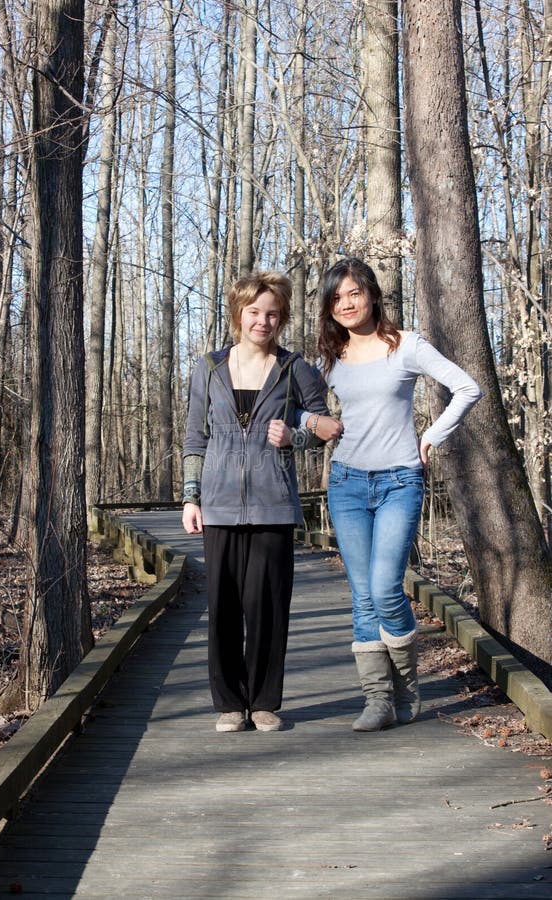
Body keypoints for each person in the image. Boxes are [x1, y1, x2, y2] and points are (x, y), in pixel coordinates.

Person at [304, 257, 482, 731]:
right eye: (336, 297)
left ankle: (407, 687)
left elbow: (468, 387)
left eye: (353, 293)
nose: (345, 303)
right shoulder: (330, 357)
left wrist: (432, 436)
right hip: (345, 483)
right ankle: (377, 701)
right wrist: (312, 423)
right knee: (362, 596)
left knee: (385, 588)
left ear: (372, 293)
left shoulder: (406, 345)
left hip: (399, 480)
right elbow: (298, 411)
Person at [182, 270, 342, 734]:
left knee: (268, 605)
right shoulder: (208, 367)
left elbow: (324, 427)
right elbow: (195, 436)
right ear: (239, 313)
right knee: (224, 605)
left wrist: (293, 437)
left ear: (282, 318)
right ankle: (230, 704)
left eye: (272, 314)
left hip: (273, 502)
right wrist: (191, 497)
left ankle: (266, 702)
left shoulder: (296, 369)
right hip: (218, 502)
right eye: (254, 311)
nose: (263, 321)